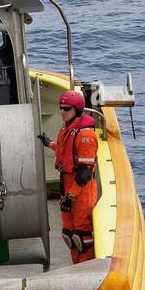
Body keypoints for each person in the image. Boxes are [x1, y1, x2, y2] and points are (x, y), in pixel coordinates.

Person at [38, 90, 98, 263]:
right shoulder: (67, 130)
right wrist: (49, 143)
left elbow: (85, 172)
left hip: (81, 193)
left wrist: (71, 196)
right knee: (69, 235)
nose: (62, 112)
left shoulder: (86, 136)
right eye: (61, 108)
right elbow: (65, 152)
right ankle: (76, 267)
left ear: (77, 110)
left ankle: (86, 272)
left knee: (82, 237)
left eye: (66, 109)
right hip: (67, 189)